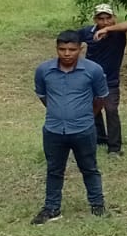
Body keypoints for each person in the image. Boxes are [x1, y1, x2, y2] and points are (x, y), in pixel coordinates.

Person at [32, 30, 109, 223]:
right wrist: (59, 112)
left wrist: (85, 116)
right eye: (62, 49)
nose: (67, 54)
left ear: (80, 49)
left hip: (83, 129)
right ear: (56, 49)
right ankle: (51, 208)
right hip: (53, 130)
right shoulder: (44, 70)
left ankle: (97, 204)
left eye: (72, 49)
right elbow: (43, 96)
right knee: (54, 170)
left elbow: (101, 98)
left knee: (89, 168)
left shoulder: (93, 71)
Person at [75, 4, 127, 156]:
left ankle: (114, 148)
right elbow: (69, 40)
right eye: (101, 19)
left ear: (114, 18)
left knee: (111, 110)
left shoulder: (120, 33)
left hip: (110, 81)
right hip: (90, 79)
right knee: (93, 109)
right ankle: (100, 138)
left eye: (108, 18)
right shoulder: (88, 32)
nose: (105, 21)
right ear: (95, 19)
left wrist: (107, 29)